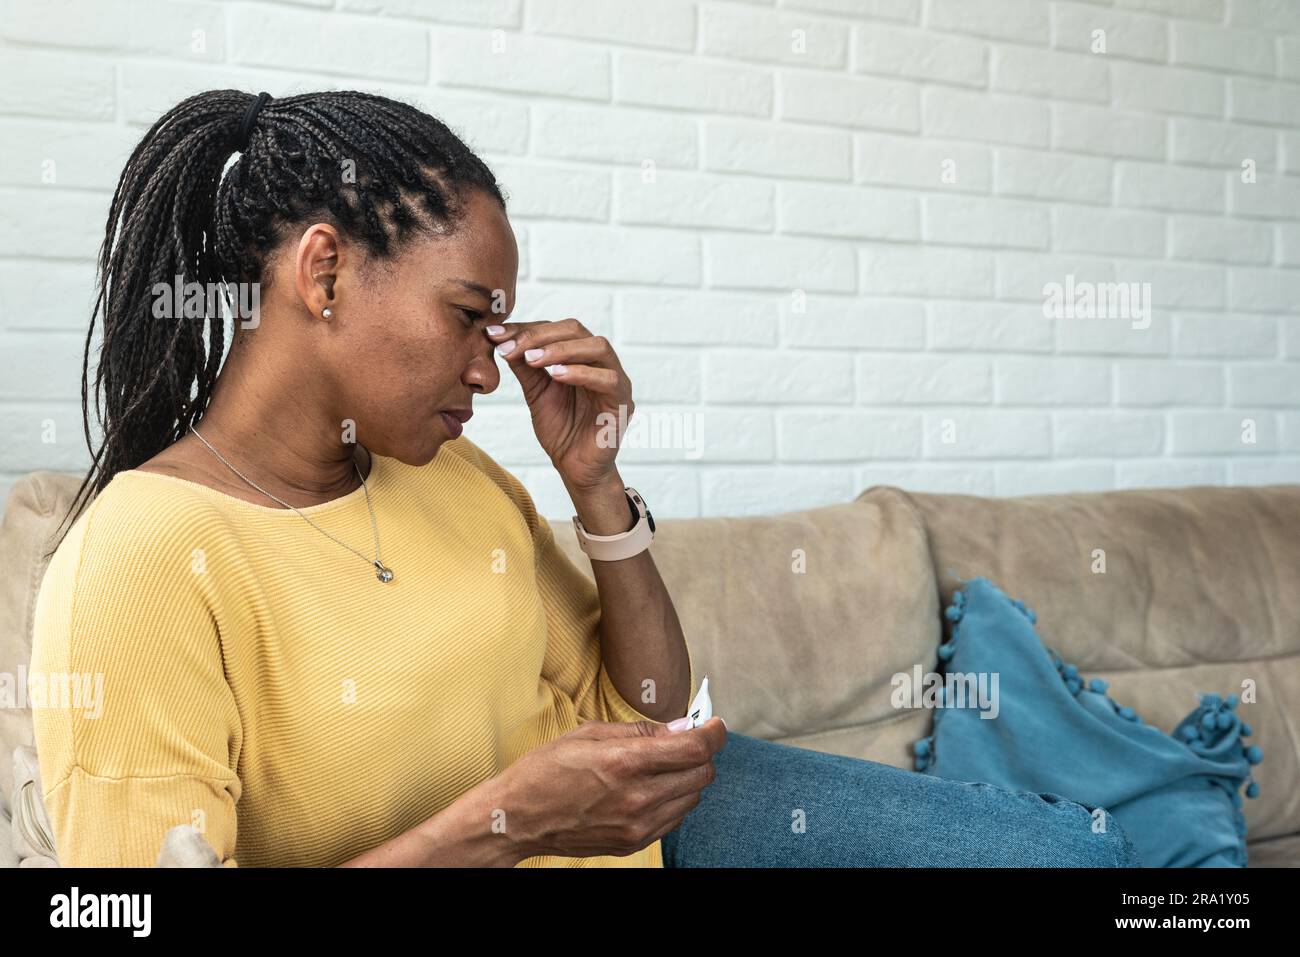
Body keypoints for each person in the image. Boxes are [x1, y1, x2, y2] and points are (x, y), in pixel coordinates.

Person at [29, 89, 1137, 868]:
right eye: (468, 318)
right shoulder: (141, 561)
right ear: (324, 272)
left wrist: (596, 489)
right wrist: (506, 822)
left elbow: (643, 712)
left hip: (664, 831)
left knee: (1074, 854)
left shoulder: (450, 472)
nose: (485, 368)